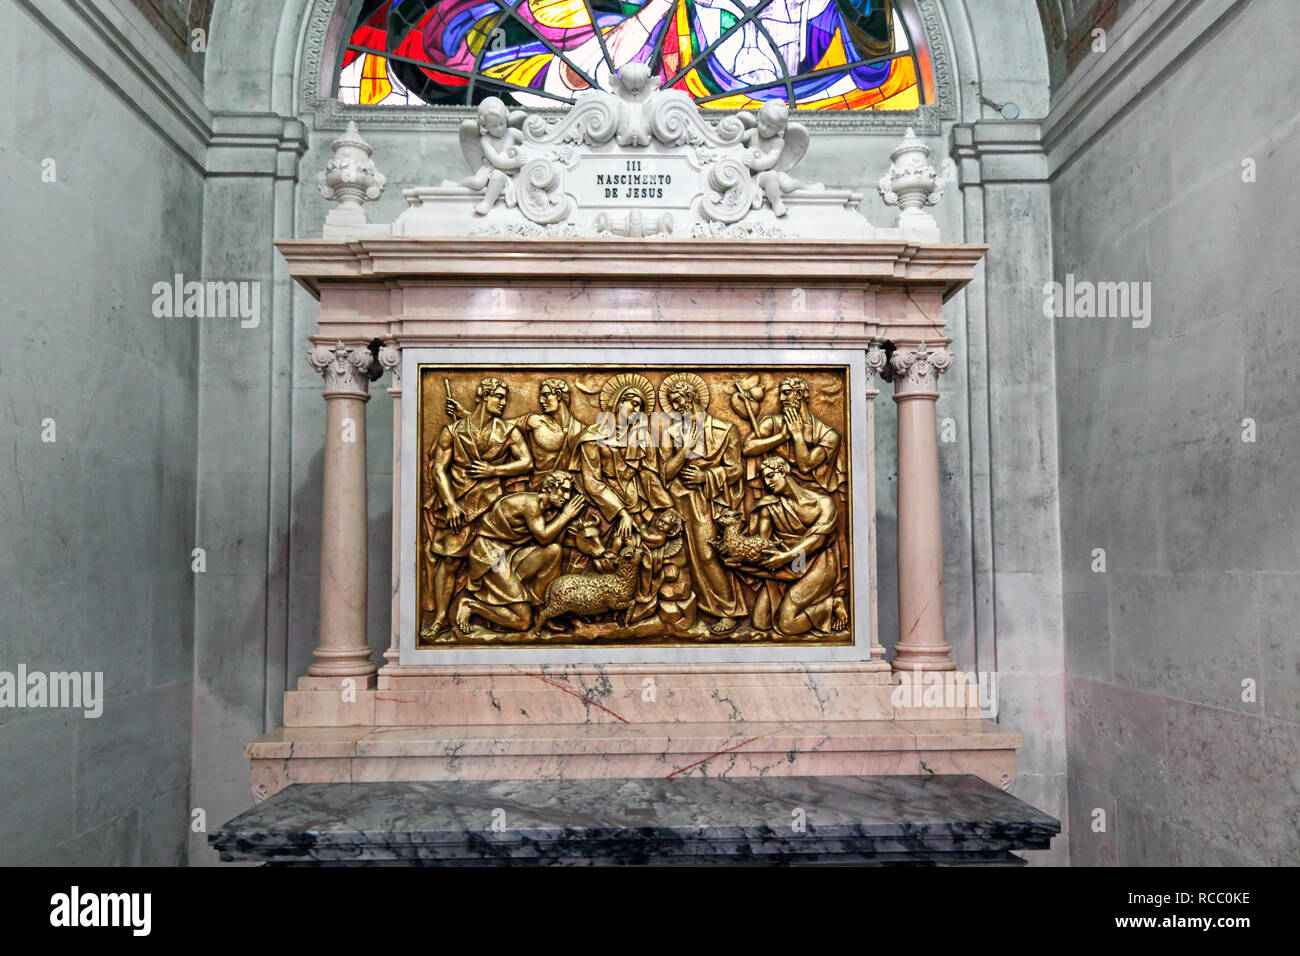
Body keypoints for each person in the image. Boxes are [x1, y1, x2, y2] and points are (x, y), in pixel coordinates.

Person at [421, 377, 532, 639]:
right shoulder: (454, 431)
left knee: (495, 563)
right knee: (449, 562)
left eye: (505, 397)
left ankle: (489, 611)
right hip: (459, 506)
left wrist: (495, 469)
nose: (503, 402)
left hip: (492, 507)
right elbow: (439, 469)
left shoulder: (507, 431)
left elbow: (526, 462)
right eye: (498, 396)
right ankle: (440, 620)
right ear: (483, 396)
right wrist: (450, 505)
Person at [658, 372, 748, 633]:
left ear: (691, 397)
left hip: (709, 502)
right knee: (684, 559)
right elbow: (663, 473)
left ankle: (729, 611)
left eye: (678, 401)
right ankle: (692, 612)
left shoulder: (724, 430)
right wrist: (684, 452)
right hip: (678, 502)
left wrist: (706, 475)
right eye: (672, 403)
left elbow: (735, 470)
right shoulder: (672, 432)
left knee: (708, 555)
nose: (675, 407)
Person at [452, 472, 589, 637]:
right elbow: (543, 537)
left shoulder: (548, 510)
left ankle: (542, 613)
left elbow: (553, 542)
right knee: (523, 622)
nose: (567, 497)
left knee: (554, 551)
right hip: (491, 556)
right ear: (551, 488)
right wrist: (567, 515)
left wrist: (563, 518)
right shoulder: (530, 503)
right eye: (564, 491)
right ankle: (471, 606)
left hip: (511, 554)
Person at [746, 455, 848, 637]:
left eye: (770, 476)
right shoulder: (770, 507)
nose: (767, 483)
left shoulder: (823, 503)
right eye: (764, 479)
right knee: (760, 622)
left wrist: (786, 557)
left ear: (783, 471)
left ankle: (831, 604)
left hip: (817, 561)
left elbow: (818, 539)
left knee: (787, 625)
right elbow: (763, 544)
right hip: (786, 564)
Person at [576, 373, 672, 549]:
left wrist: (667, 507)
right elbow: (592, 482)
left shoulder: (643, 438)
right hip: (602, 505)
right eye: (633, 404)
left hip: (635, 505)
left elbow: (649, 477)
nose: (636, 411)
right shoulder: (592, 436)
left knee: (642, 554)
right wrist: (621, 514)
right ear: (619, 402)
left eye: (640, 408)